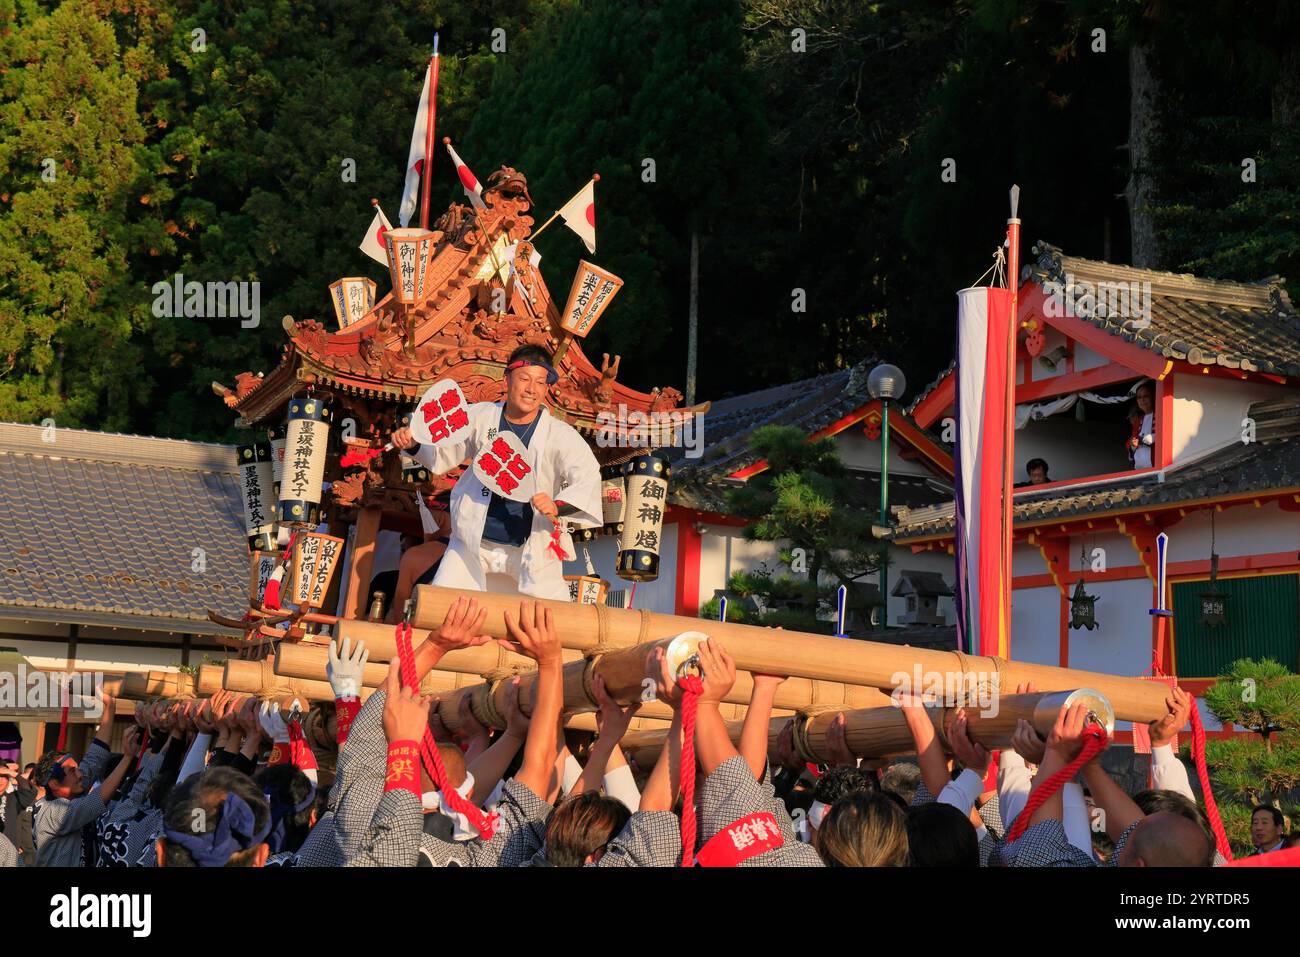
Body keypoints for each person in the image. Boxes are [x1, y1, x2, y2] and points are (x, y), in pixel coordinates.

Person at [389, 343, 602, 601]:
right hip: (471, 545)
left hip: (532, 547)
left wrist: (557, 505)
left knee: (549, 623)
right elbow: (444, 453)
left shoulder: (560, 435)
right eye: (524, 379)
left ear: (546, 388)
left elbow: (588, 477)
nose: (531, 389)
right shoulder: (480, 417)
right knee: (443, 607)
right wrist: (415, 444)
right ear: (507, 379)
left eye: (539, 382)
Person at [32, 693, 141, 866]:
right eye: (72, 771)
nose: (81, 774)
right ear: (54, 783)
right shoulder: (53, 811)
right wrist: (128, 757)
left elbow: (96, 754)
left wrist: (110, 706)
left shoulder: (73, 788)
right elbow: (95, 800)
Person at [1127, 381, 1156, 468]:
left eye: (1146, 396)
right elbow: (1132, 441)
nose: (1142, 400)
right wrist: (1133, 444)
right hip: (1139, 468)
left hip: (1155, 467)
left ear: (1153, 397)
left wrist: (1155, 437)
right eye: (1139, 397)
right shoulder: (1138, 421)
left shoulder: (1160, 415)